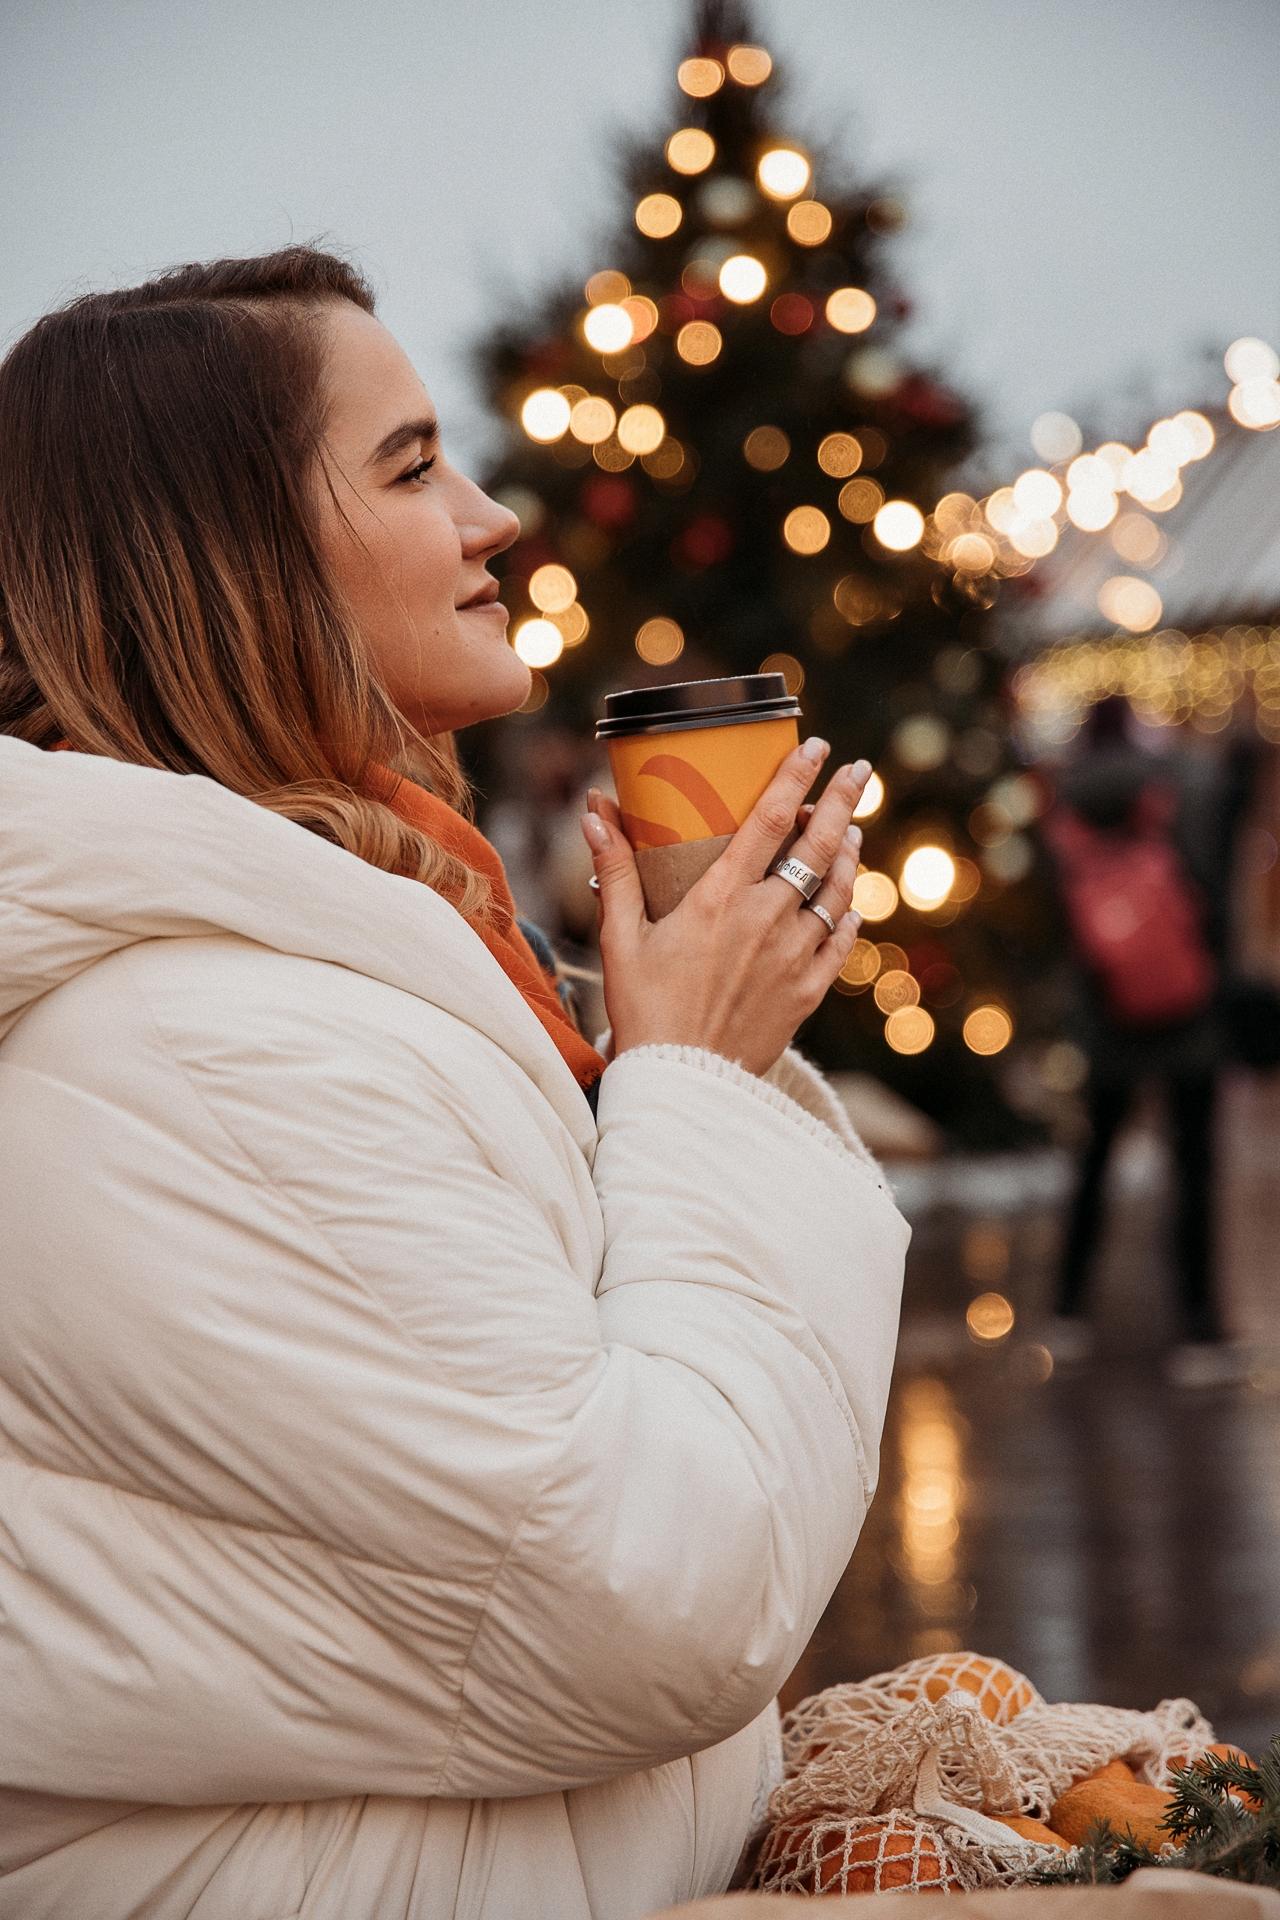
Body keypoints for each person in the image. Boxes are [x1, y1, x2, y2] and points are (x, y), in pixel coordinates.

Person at [0, 247, 908, 1920]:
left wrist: (679, 1054)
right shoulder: (200, 1043)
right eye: (413, 467)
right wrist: (695, 1082)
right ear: (232, 557)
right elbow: (648, 1598)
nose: (493, 520)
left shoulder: (366, 944)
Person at [1042, 694, 1258, 1386]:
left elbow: (1058, 917)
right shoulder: (1184, 785)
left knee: (1096, 1158)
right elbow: (1217, 875)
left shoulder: (1063, 802)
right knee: (1193, 1168)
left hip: (1109, 1015)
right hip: (1187, 1007)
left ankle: (1068, 1309)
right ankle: (1198, 1329)